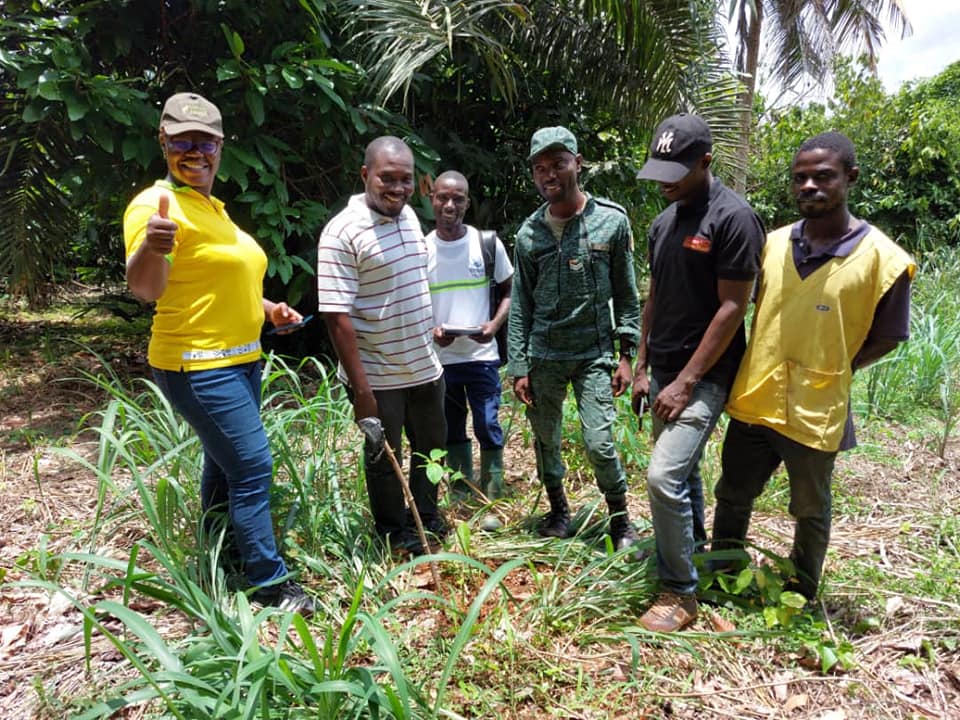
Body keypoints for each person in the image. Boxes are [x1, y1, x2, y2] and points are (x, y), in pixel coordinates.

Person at [123, 91, 314, 616]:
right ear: (163, 144)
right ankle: (269, 585)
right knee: (252, 467)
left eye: (205, 141)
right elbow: (147, 289)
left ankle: (219, 556)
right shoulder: (153, 205)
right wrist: (151, 248)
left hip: (241, 358)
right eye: (182, 141)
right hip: (196, 363)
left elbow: (221, 283)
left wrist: (270, 308)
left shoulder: (214, 209)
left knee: (224, 463)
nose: (195, 152)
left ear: (220, 146)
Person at [711, 131, 916, 601]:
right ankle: (720, 572)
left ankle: (801, 591)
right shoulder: (772, 244)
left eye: (822, 176)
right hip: (756, 396)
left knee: (809, 507)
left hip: (816, 407)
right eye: (800, 178)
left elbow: (887, 336)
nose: (809, 186)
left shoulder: (884, 259)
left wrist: (836, 366)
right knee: (733, 493)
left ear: (851, 177)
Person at [632, 113, 765, 632]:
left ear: (705, 162)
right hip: (664, 368)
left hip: (705, 375)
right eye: (658, 167)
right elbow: (655, 296)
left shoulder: (734, 218)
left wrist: (688, 381)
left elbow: (733, 308)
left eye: (676, 169)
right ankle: (691, 555)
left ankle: (680, 592)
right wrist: (643, 367)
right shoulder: (662, 223)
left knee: (663, 477)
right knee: (681, 474)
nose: (664, 178)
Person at [508, 126, 643, 555]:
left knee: (599, 443)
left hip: (594, 354)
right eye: (540, 168)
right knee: (545, 439)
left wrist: (627, 355)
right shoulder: (528, 234)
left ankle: (620, 520)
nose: (550, 174)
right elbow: (520, 307)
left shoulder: (612, 221)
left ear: (577, 164)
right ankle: (558, 511)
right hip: (544, 354)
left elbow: (627, 293)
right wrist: (518, 367)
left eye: (558, 164)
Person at [316, 136, 446, 555]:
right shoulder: (342, 232)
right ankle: (393, 532)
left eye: (405, 179)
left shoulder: (409, 216)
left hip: (425, 366)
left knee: (431, 450)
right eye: (387, 178)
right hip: (379, 374)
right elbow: (337, 318)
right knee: (383, 458)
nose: (397, 188)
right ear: (365, 175)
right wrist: (362, 391)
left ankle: (426, 518)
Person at [426, 170, 513, 503]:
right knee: (450, 427)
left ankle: (492, 495)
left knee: (487, 423)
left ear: (467, 202)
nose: (450, 205)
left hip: (481, 357)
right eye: (443, 197)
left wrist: (494, 324)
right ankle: (461, 494)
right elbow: (416, 303)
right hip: (442, 358)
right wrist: (431, 331)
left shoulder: (486, 243)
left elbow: (508, 289)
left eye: (458, 199)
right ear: (432, 199)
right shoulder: (422, 250)